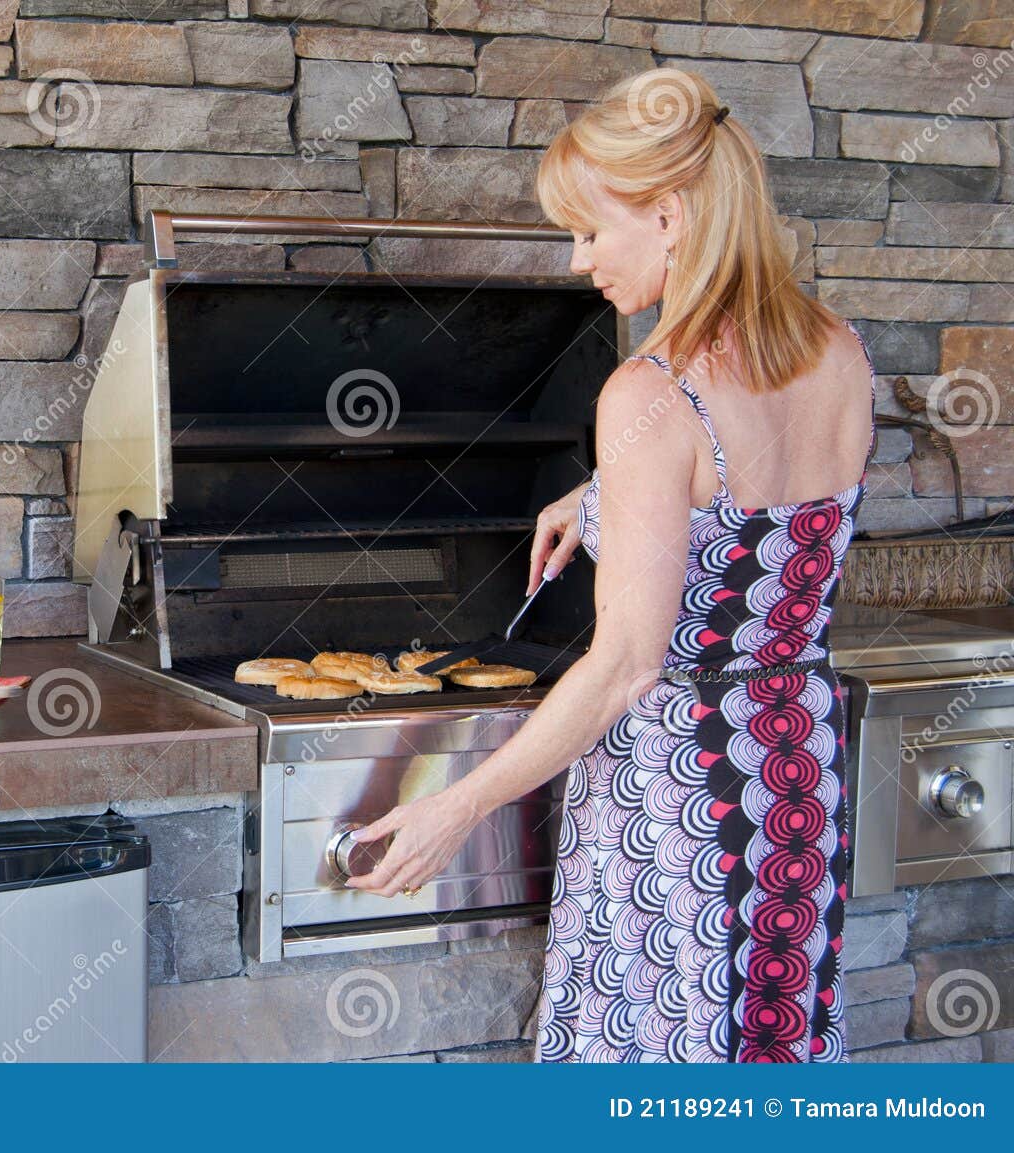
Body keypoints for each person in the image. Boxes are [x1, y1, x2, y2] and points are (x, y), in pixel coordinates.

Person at [345, 67, 877, 1063]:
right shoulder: (838, 350)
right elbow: (749, 511)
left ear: (669, 216)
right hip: (793, 764)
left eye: (591, 230)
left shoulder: (647, 394)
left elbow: (628, 662)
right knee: (768, 1052)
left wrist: (453, 805)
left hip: (678, 791)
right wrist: (600, 499)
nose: (578, 257)